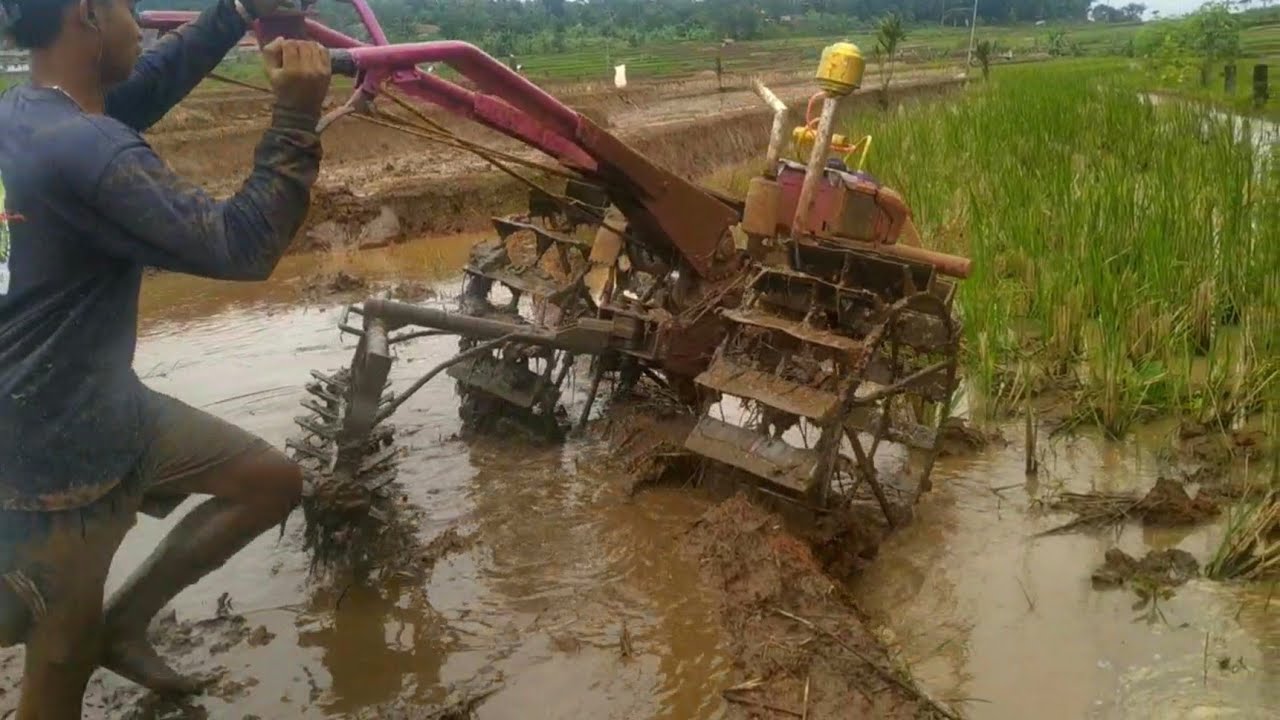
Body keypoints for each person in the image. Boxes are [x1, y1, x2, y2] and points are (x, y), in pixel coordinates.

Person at [0, 0, 331, 716]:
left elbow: (144, 84)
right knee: (59, 669)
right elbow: (242, 247)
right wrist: (297, 117)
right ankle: (81, 628)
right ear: (87, 14)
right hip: (61, 461)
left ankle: (126, 623)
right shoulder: (89, 152)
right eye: (126, 8)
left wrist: (238, 10)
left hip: (101, 405)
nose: (139, 26)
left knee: (271, 482)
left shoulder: (31, 115)